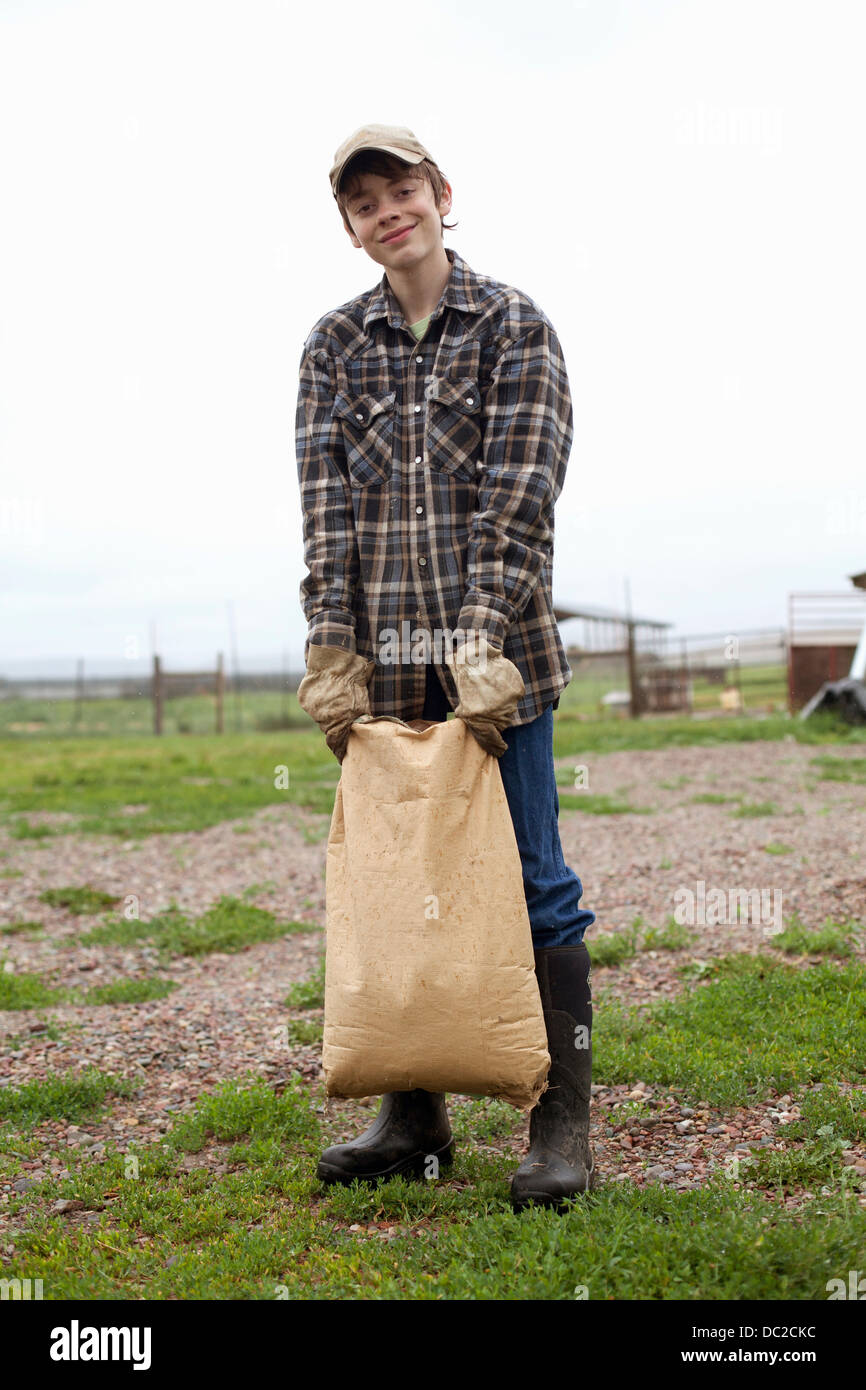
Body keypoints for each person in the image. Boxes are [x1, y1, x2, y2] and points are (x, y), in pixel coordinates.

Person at [295, 123, 597, 1209]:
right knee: (396, 886)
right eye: (364, 202)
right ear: (351, 226)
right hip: (382, 674)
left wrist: (476, 640)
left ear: (439, 193)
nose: (387, 212)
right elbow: (325, 512)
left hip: (496, 662)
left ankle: (559, 1120)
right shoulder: (333, 348)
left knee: (535, 884)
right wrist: (330, 644)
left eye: (401, 190)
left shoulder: (513, 327)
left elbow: (520, 498)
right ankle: (411, 1118)